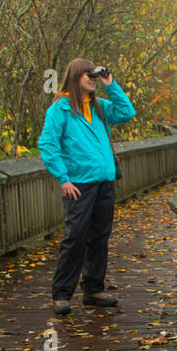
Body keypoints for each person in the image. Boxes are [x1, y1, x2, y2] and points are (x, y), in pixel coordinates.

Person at [37, 58, 135, 315]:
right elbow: (48, 145)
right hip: (78, 184)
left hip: (104, 181)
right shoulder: (60, 110)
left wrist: (110, 84)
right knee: (75, 237)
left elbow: (127, 113)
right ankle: (62, 294)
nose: (92, 78)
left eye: (94, 75)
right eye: (87, 74)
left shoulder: (100, 106)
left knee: (100, 237)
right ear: (75, 76)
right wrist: (63, 178)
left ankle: (93, 289)